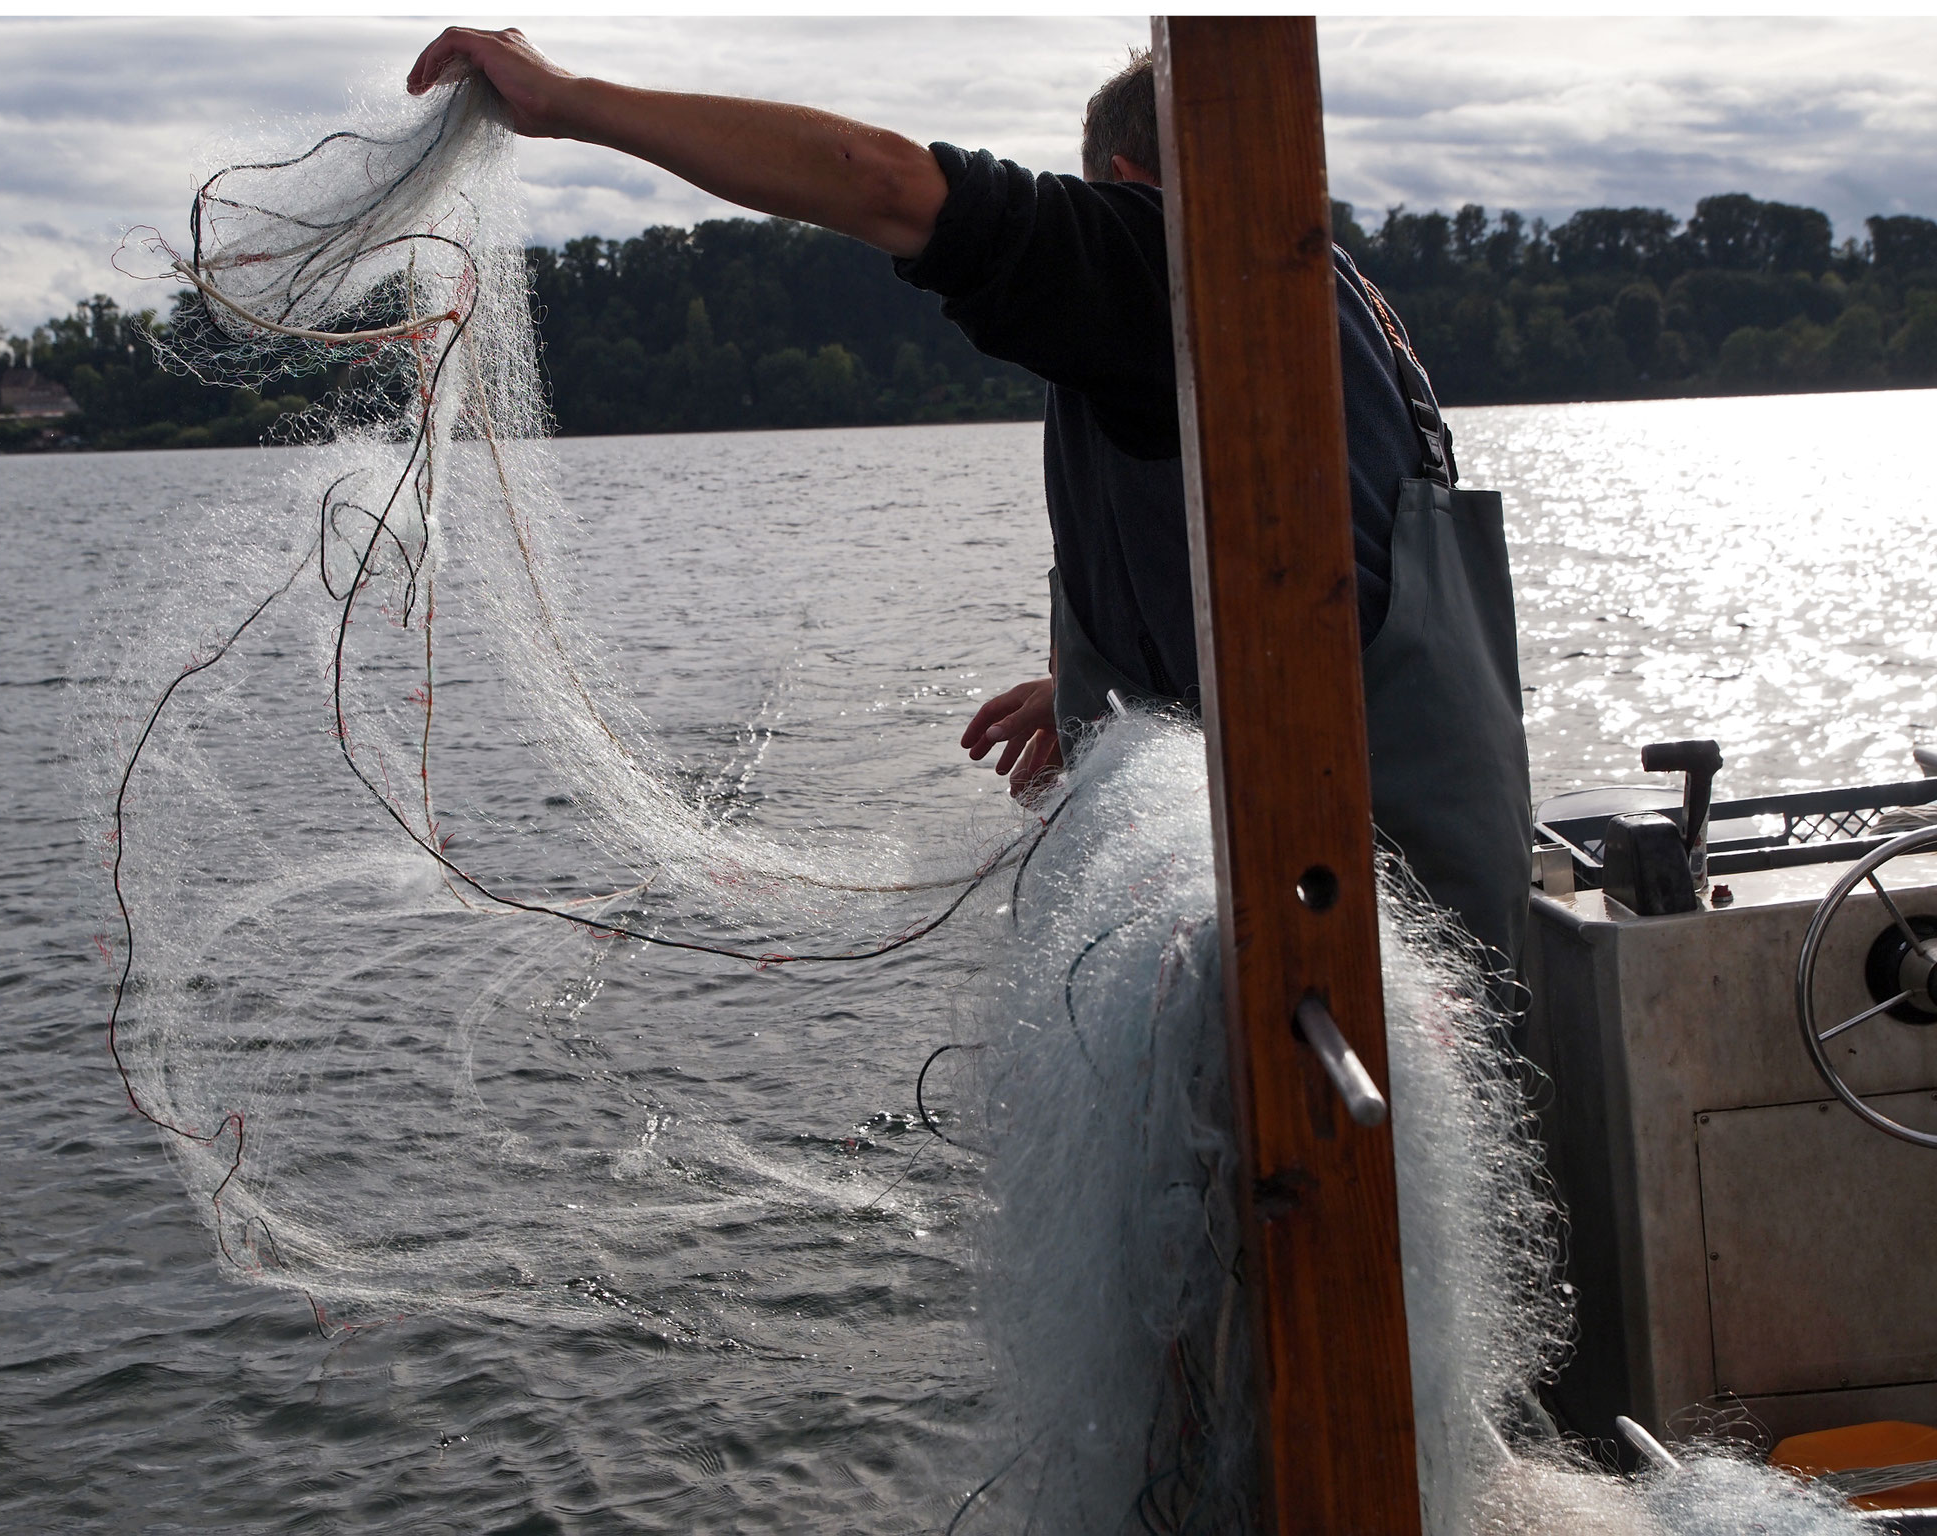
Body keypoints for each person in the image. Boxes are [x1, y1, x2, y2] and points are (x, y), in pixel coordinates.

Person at [406, 29, 1533, 973]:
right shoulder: (1334, 306)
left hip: (1353, 949)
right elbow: (1320, 577)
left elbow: (882, 182)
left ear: (1124, 184)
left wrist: (568, 101)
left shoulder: (1180, 261)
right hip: (1441, 914)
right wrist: (1112, 680)